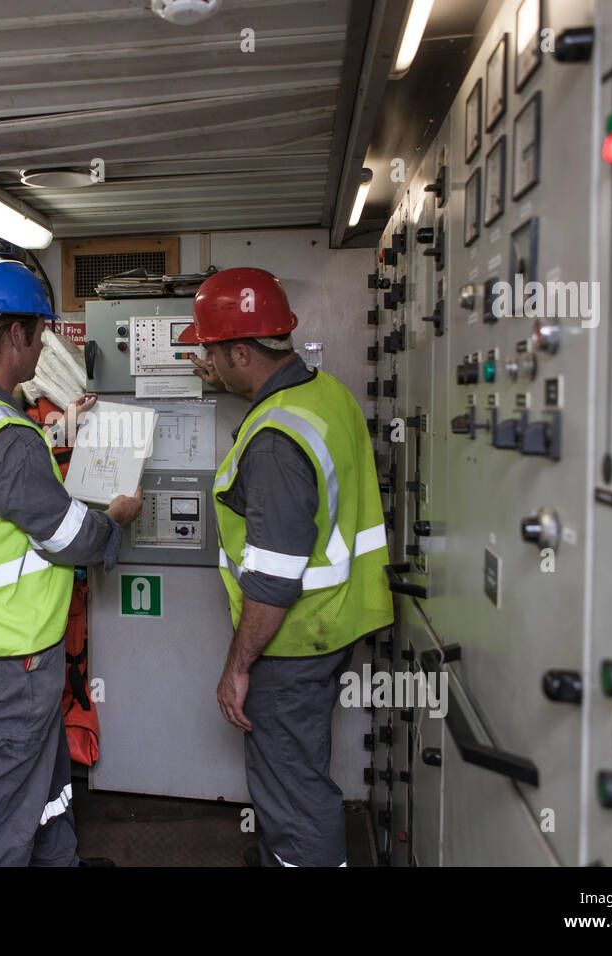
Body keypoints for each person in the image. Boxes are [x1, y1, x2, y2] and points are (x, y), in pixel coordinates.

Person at [0, 260, 142, 867]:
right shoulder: (6, 436)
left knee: (42, 783)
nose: (44, 342)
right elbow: (68, 537)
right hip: (10, 652)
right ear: (14, 335)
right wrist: (114, 518)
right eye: (40, 331)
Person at [179, 267, 393, 867]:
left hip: (290, 640)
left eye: (217, 354)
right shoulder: (323, 395)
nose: (212, 364)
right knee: (298, 772)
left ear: (243, 351)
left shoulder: (274, 441)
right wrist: (231, 385)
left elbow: (273, 581)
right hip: (332, 624)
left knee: (293, 791)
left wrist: (237, 667)